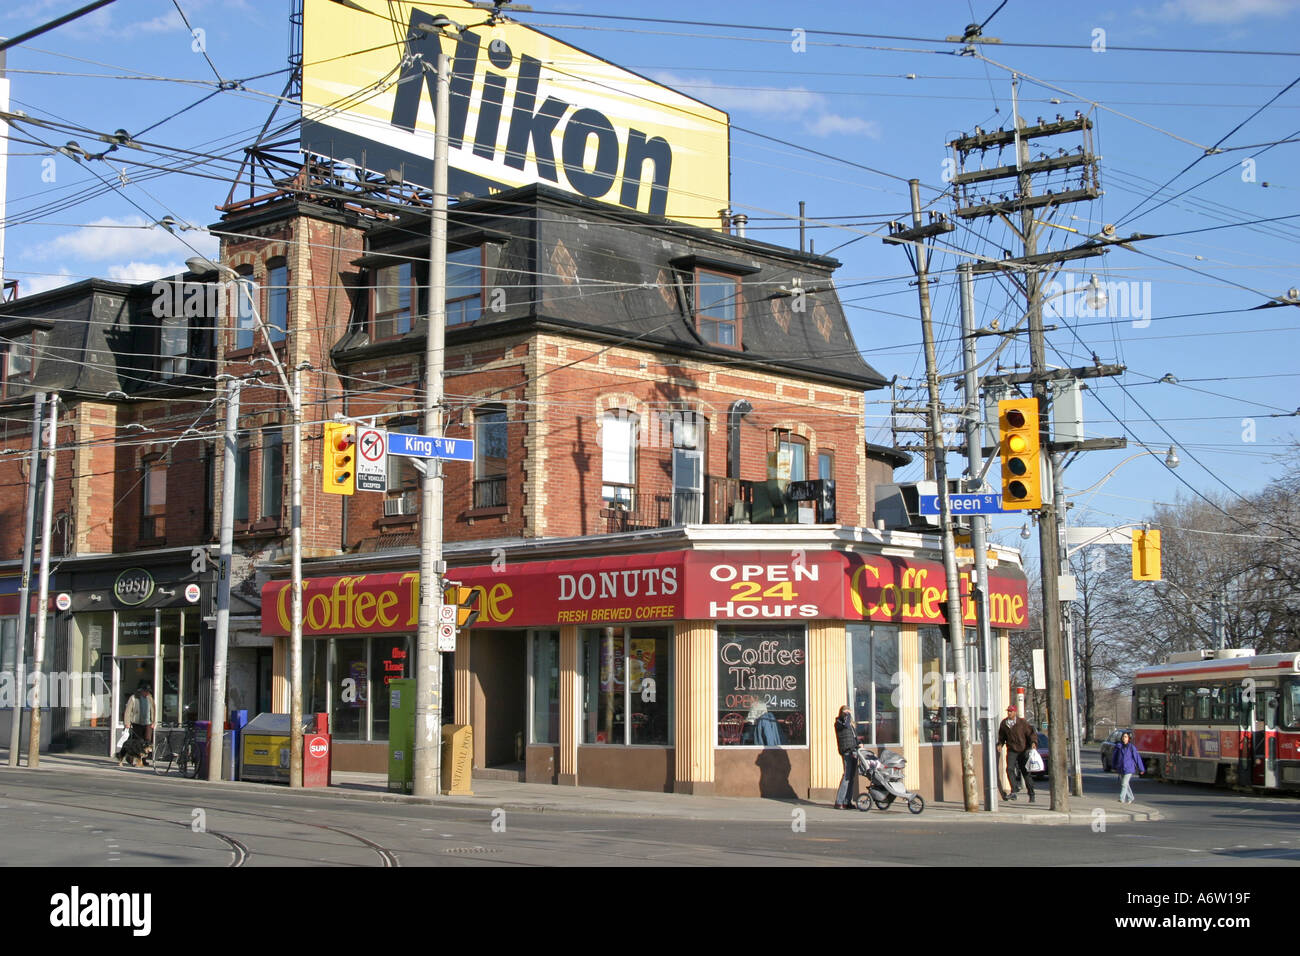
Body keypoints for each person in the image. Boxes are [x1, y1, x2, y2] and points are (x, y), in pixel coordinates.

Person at [997, 704, 1037, 803]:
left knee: (1025, 772)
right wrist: (1000, 744)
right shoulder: (1004, 723)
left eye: (1011, 711)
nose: (1009, 713)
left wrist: (1033, 742)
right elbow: (1002, 736)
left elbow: (1031, 733)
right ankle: (1014, 790)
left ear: (1015, 712)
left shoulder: (1022, 723)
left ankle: (1031, 794)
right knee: (1009, 769)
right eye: (1008, 711)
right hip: (1012, 749)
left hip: (1023, 750)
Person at [833, 705, 859, 809]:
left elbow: (855, 736)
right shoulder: (839, 722)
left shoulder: (851, 724)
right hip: (846, 750)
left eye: (849, 711)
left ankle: (847, 801)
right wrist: (846, 715)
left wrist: (859, 743)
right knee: (846, 776)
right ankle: (839, 801)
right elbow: (845, 725)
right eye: (846, 711)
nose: (848, 713)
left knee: (851, 777)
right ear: (842, 712)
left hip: (854, 750)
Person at [1110, 731, 1146, 803]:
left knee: (1124, 784)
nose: (1124, 738)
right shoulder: (1118, 747)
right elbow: (1114, 757)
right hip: (1121, 768)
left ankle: (1121, 799)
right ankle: (1131, 797)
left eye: (1126, 737)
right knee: (1125, 784)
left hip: (1129, 768)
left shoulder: (1131, 747)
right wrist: (1113, 766)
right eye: (1123, 737)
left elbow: (1137, 758)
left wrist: (1141, 769)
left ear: (1129, 738)